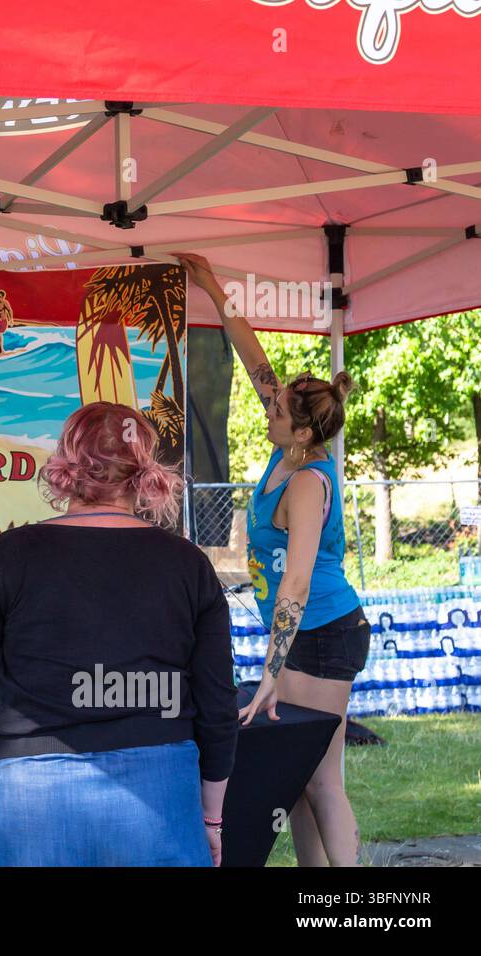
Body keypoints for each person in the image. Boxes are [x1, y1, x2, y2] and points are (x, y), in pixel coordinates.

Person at [0, 402, 238, 866]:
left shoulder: (7, 556)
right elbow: (218, 706)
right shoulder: (189, 565)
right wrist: (210, 820)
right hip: (159, 791)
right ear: (142, 470)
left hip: (24, 796)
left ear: (66, 465)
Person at [178, 252, 366, 867]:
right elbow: (251, 354)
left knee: (321, 779)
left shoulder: (309, 481)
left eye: (278, 411)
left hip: (324, 630)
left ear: (304, 433)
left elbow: (299, 580)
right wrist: (209, 285)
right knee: (299, 776)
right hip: (303, 633)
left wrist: (269, 668)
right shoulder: (289, 443)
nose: (270, 410)